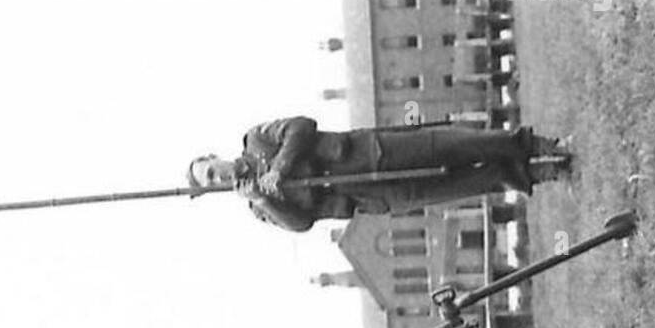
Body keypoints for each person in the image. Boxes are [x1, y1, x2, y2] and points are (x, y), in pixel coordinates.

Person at [187, 116, 571, 233]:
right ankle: (542, 172)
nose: (219, 178)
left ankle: (537, 145)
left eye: (212, 171)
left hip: (370, 152)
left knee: (454, 145)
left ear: (215, 157)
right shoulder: (260, 209)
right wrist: (264, 196)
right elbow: (301, 223)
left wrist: (279, 167)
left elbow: (301, 127)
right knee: (457, 185)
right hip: (372, 196)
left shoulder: (256, 139)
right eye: (212, 182)